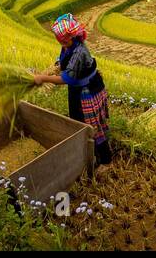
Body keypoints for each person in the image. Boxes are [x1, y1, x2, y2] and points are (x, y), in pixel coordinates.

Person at [33, 14, 113, 165]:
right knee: (77, 121)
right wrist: (55, 67)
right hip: (77, 90)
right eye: (59, 39)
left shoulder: (79, 52)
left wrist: (43, 78)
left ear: (73, 35)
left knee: (92, 127)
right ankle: (83, 153)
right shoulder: (68, 45)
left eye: (64, 39)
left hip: (87, 91)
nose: (61, 42)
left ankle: (105, 161)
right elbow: (62, 60)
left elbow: (66, 79)